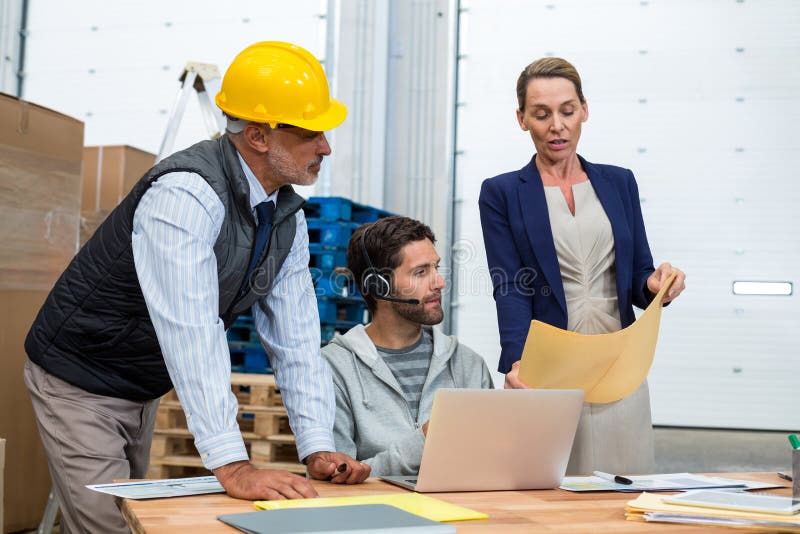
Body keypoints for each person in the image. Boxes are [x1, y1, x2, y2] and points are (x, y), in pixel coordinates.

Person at [23, 41, 369, 533]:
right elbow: (191, 330)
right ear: (258, 136)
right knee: (109, 526)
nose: (326, 147)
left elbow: (296, 341)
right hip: (80, 376)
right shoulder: (184, 194)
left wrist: (317, 446)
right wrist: (232, 465)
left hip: (140, 383)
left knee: (124, 518)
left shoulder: (285, 217)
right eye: (311, 132)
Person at [478, 57, 686, 476]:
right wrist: (517, 363)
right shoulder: (501, 193)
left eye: (567, 111)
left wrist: (657, 284)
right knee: (555, 489)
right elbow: (511, 285)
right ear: (522, 119)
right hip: (550, 368)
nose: (557, 126)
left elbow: (638, 276)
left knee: (627, 487)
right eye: (542, 114)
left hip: (619, 365)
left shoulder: (619, 182)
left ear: (584, 110)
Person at [321, 216, 493, 476]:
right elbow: (336, 479)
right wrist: (424, 443)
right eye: (421, 272)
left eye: (436, 268)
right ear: (378, 286)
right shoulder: (333, 368)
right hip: (377, 504)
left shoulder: (468, 365)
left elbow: (491, 463)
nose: (440, 282)